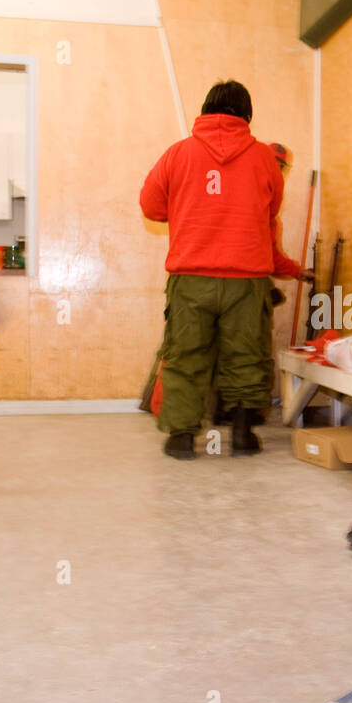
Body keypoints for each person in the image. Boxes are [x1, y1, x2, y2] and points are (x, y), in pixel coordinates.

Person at [140, 81, 303, 459]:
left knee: (185, 356)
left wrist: (186, 207)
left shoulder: (177, 153)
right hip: (247, 281)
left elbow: (151, 207)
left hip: (191, 278)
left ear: (205, 109)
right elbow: (270, 210)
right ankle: (244, 434)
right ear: (246, 115)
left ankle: (181, 437)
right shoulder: (265, 159)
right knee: (247, 356)